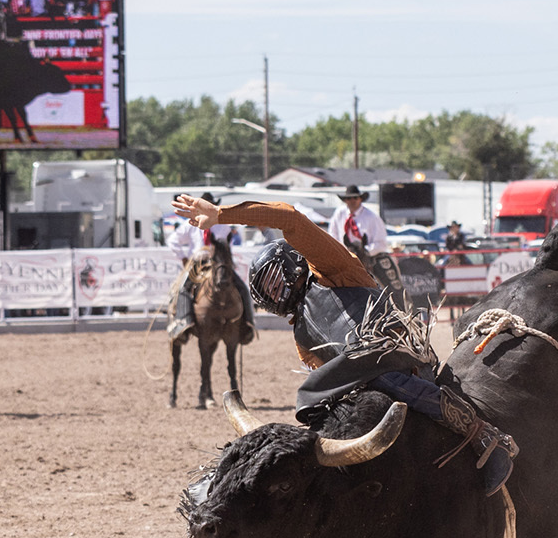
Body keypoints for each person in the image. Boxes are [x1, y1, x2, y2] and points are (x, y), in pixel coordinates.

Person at [172, 193, 517, 495]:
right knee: (320, 410)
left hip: (396, 358)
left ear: (293, 267)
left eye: (277, 284)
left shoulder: (334, 269)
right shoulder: (302, 337)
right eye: (270, 293)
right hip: (359, 381)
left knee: (379, 378)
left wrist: (222, 215)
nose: (277, 295)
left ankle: (482, 434)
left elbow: (289, 218)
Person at [165, 192, 255, 345]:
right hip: (198, 263)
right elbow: (173, 240)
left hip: (219, 263)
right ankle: (183, 322)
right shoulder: (191, 224)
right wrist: (184, 257)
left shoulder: (222, 225)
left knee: (242, 288)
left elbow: (227, 246)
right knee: (182, 289)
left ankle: (247, 325)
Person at [327, 185, 388, 259]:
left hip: (367, 256)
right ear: (345, 200)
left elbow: (381, 243)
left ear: (360, 199)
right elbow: (332, 234)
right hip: (343, 256)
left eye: (355, 198)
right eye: (349, 198)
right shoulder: (339, 214)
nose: (352, 201)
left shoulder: (372, 217)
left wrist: (365, 251)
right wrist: (340, 250)